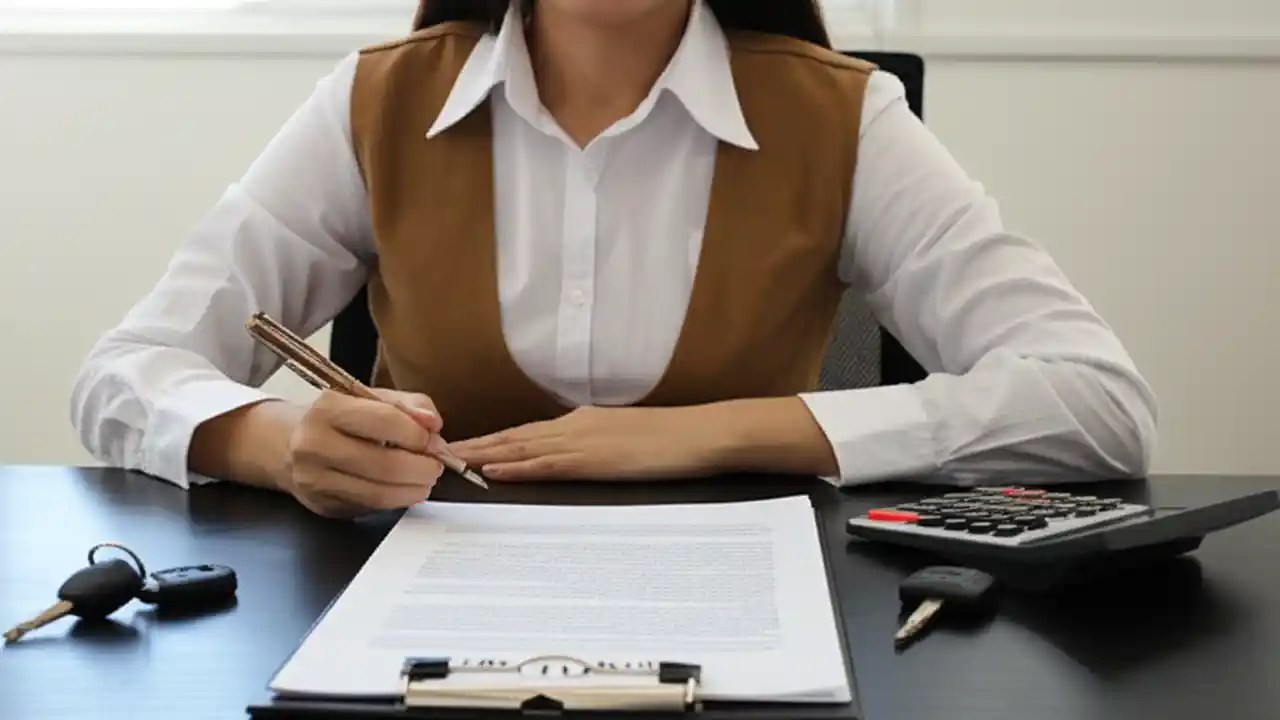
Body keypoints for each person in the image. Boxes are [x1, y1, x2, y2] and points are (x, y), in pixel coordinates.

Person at [71, 0, 1157, 518]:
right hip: (411, 611)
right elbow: (124, 372)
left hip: (743, 620)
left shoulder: (843, 117)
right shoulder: (373, 101)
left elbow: (1096, 404)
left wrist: (708, 435)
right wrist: (275, 440)